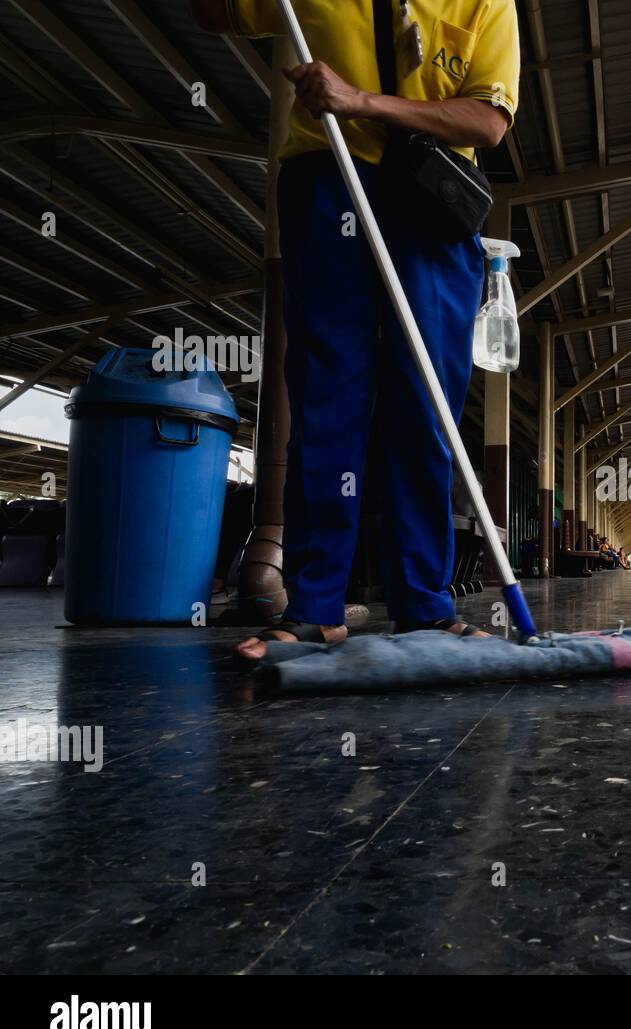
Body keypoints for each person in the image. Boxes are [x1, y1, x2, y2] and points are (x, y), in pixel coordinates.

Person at [190, 0, 521, 659]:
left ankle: (423, 607)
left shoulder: (486, 3)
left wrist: (359, 101)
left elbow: (487, 122)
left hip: (431, 197)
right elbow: (213, 13)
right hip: (326, 184)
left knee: (426, 406)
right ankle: (314, 606)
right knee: (325, 394)